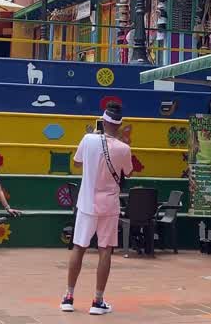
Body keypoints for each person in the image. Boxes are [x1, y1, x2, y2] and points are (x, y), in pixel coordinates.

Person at [62, 102, 133, 315]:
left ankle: (68, 297)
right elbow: (128, 173)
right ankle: (97, 301)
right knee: (105, 250)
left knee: (79, 247)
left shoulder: (88, 139)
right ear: (119, 125)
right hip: (109, 205)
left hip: (86, 203)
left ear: (103, 121)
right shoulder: (124, 148)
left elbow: (76, 163)